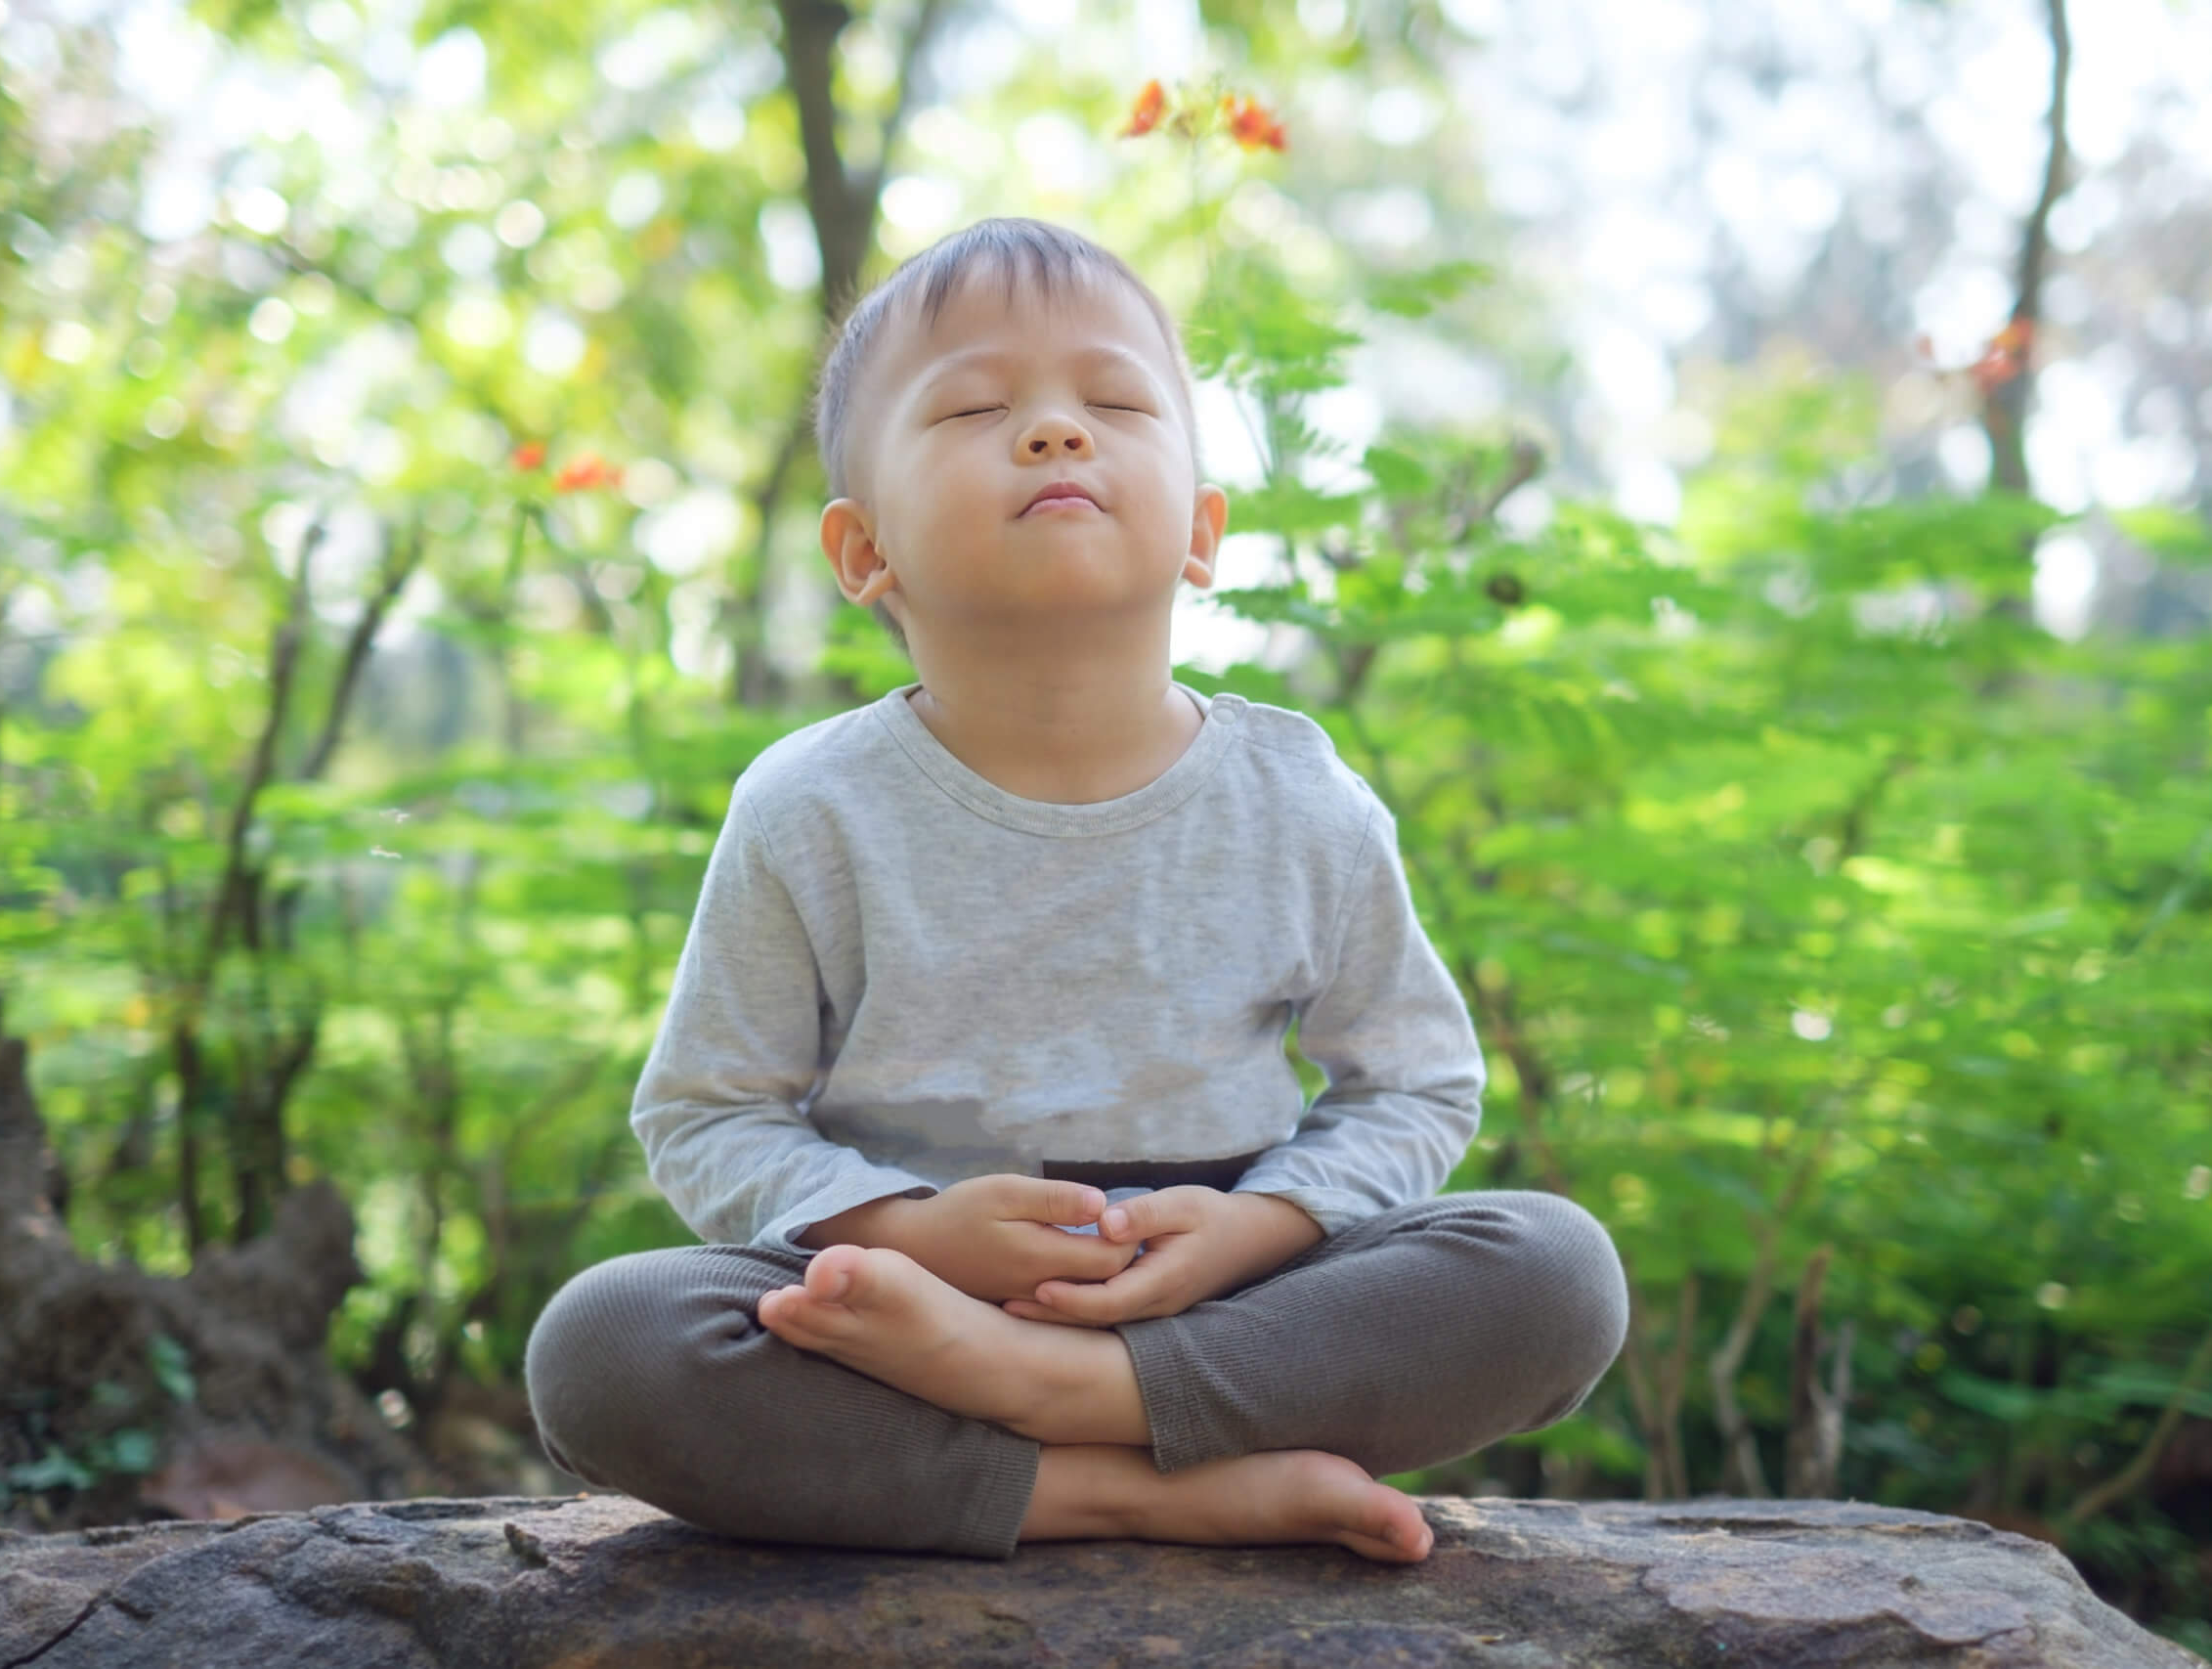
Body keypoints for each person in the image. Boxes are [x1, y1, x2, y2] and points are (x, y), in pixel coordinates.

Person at [522, 216, 1628, 1565]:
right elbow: (707, 1112)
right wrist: (908, 1235)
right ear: (863, 552)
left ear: (1203, 531)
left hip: (1236, 1309)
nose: (1056, 432)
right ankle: (1140, 1489)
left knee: (1558, 1271)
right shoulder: (810, 808)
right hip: (904, 1323)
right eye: (975, 409)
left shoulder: (1299, 796)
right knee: (606, 1343)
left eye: (1114, 402)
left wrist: (1260, 1225)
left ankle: (1072, 1402)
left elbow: (1415, 1085)